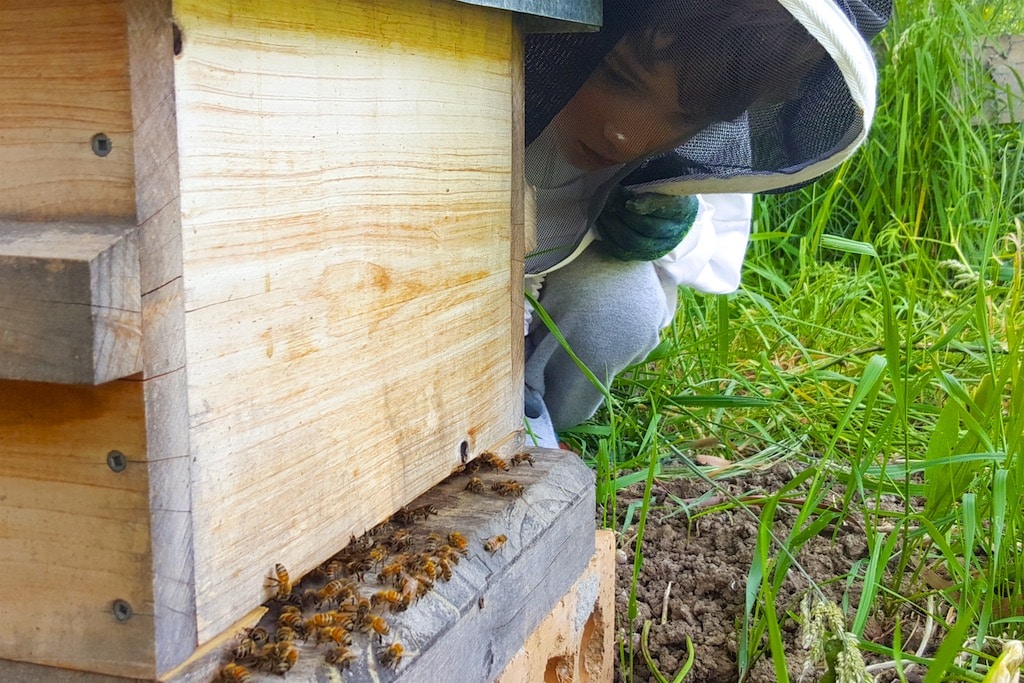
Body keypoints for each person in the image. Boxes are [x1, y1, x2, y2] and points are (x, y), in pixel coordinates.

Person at [522, 0, 893, 447]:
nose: (627, 134)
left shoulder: (708, 150)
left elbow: (715, 259)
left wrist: (677, 225)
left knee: (624, 307)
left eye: (686, 117)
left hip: (557, 280)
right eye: (619, 77)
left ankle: (536, 405)